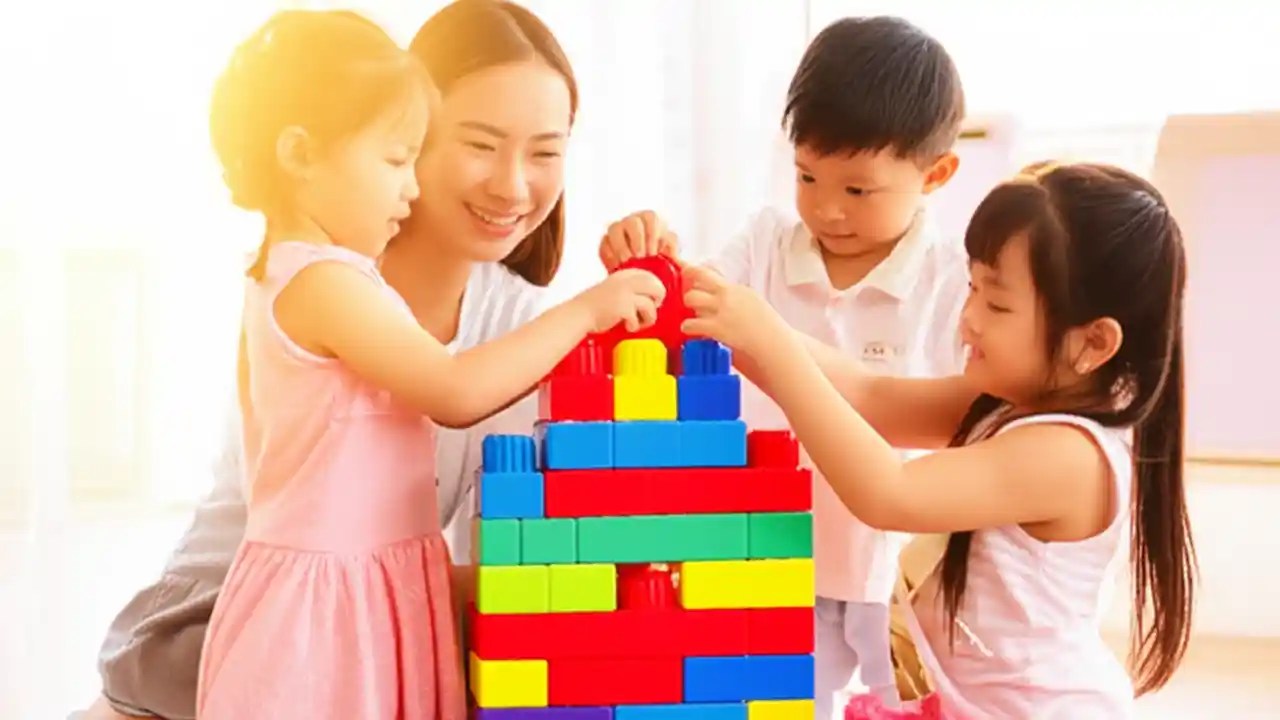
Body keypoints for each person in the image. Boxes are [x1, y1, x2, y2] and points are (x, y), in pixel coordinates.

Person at [78, 2, 627, 718]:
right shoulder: (332, 283)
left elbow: (548, 511)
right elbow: (452, 392)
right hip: (245, 623)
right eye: (478, 144)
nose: (514, 185)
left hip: (375, 615)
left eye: (546, 152)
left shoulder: (511, 316)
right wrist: (587, 311)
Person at [680, 161, 1196, 719]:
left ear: (1093, 342)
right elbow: (870, 396)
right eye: (972, 287)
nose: (968, 318)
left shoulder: (1068, 456)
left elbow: (890, 492)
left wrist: (772, 344)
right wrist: (725, 321)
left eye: (996, 303)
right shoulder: (1008, 403)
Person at [599, 16, 968, 716]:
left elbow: (962, 416)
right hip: (770, 557)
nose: (827, 207)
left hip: (900, 573)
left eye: (859, 190)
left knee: (919, 706)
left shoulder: (953, 282)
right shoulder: (765, 243)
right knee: (779, 702)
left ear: (936, 174)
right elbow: (684, 298)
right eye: (807, 175)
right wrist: (645, 257)